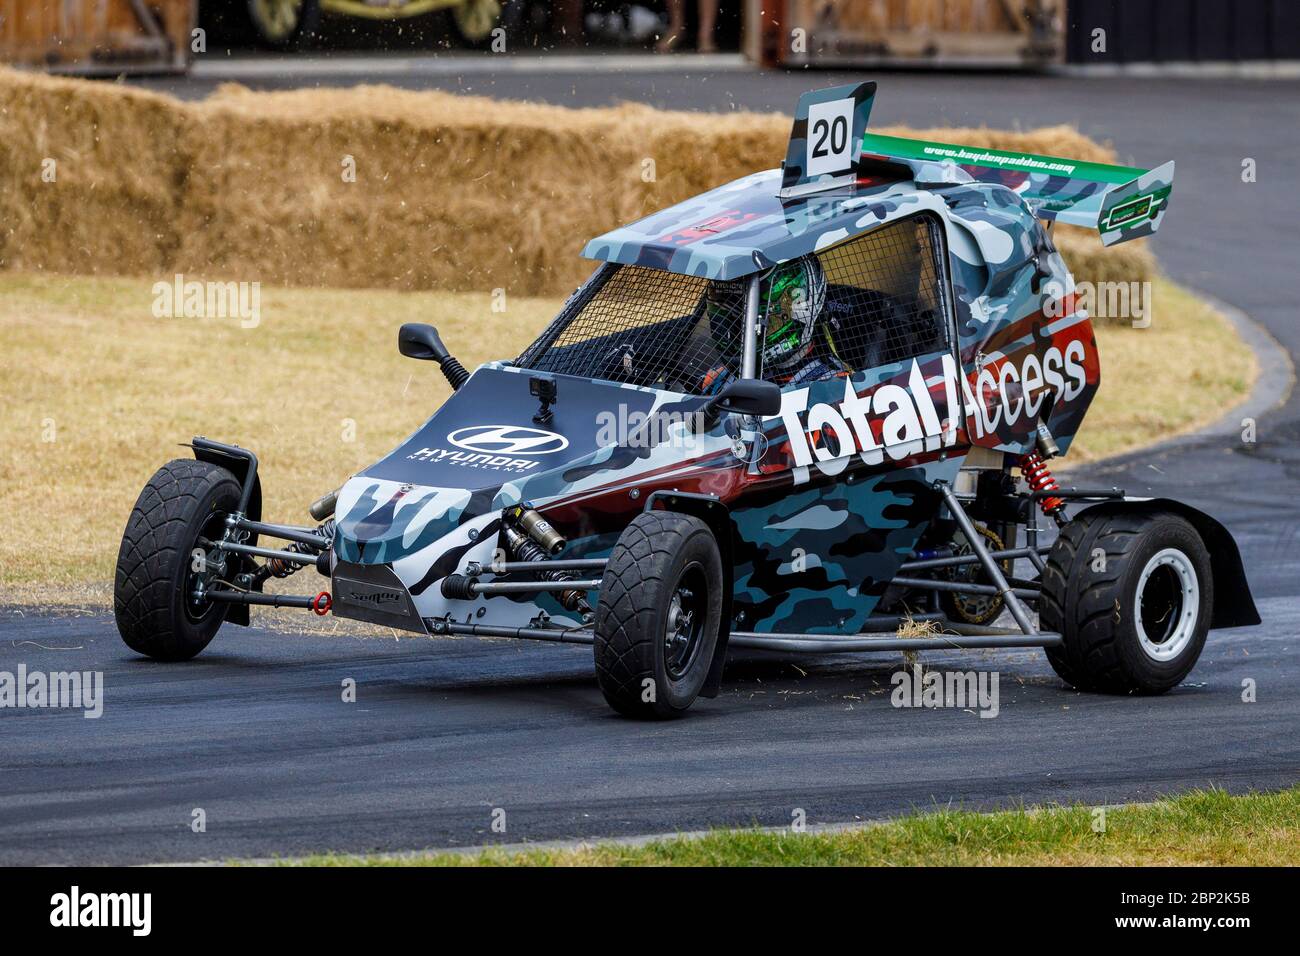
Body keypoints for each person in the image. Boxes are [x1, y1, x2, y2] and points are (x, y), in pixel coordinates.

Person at [700, 255, 848, 393]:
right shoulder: (718, 379)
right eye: (733, 317)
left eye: (756, 317)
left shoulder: (835, 386)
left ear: (798, 304)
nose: (740, 328)